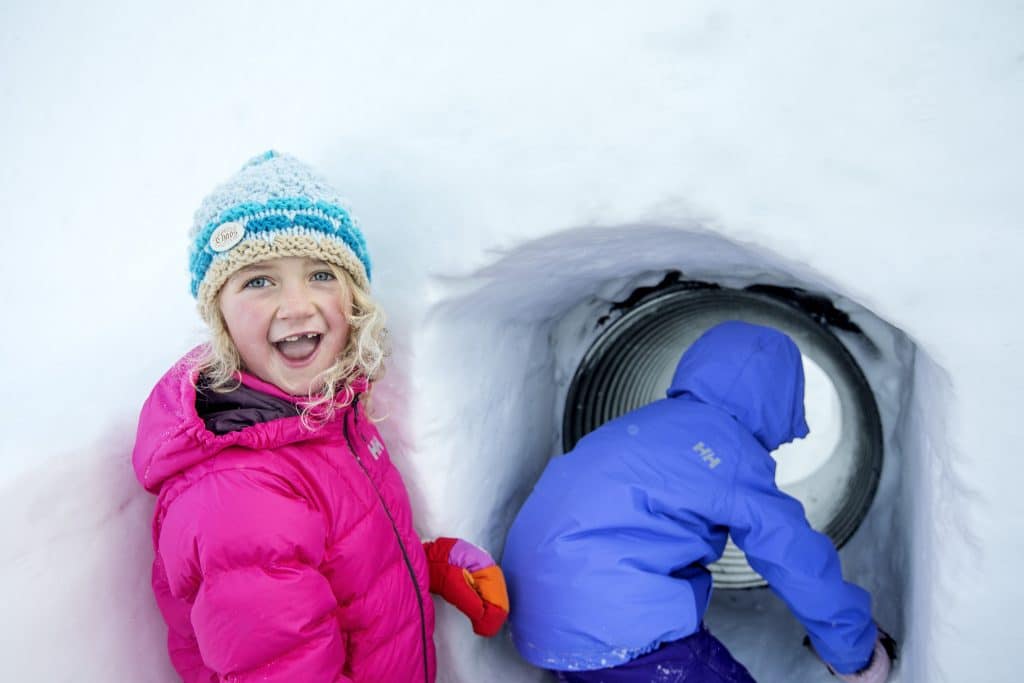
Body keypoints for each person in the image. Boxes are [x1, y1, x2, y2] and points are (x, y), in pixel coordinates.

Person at [132, 151, 508, 683]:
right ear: (219, 313)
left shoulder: (325, 419)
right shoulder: (238, 495)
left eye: (321, 274)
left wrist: (425, 566)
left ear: (353, 298)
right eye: (258, 281)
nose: (297, 305)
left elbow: (335, 563)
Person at [502, 321, 893, 683]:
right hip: (620, 629)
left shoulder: (651, 422)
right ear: (777, 400)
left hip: (541, 624)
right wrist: (855, 652)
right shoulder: (730, 449)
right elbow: (794, 557)